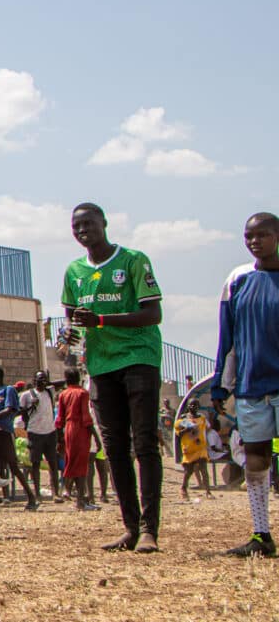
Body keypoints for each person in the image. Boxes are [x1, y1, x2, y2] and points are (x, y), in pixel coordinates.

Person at [62, 203, 165, 552]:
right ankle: (130, 528)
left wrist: (102, 322)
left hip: (138, 359)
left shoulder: (134, 260)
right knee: (115, 448)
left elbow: (153, 314)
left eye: (89, 223)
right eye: (77, 225)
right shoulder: (74, 271)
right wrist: (69, 336)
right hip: (101, 366)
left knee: (144, 443)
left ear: (104, 224)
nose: (83, 230)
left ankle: (150, 529)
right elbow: (73, 320)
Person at [214, 211, 279, 557]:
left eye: (263, 235)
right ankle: (261, 534)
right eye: (249, 236)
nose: (255, 242)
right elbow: (228, 338)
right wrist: (220, 385)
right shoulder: (238, 280)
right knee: (255, 458)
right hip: (252, 386)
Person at [0, 368, 38, 512]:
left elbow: (10, 409)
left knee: (13, 466)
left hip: (4, 432)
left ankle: (31, 497)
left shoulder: (8, 390)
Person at [22, 369, 63, 502]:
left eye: (44, 379)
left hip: (50, 432)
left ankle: (55, 493)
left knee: (53, 463)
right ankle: (37, 494)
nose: (42, 382)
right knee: (35, 464)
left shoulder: (49, 391)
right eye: (40, 379)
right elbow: (20, 413)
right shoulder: (27, 395)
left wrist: (48, 381)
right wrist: (31, 406)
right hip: (34, 432)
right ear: (34, 381)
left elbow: (62, 383)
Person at [175, 406, 213, 501]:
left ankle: (208, 492)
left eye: (196, 405)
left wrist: (200, 436)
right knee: (189, 471)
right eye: (192, 405)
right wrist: (187, 430)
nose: (194, 407)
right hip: (189, 448)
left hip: (200, 447)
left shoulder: (201, 418)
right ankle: (183, 489)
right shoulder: (183, 418)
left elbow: (207, 427)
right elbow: (178, 433)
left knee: (204, 470)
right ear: (188, 406)